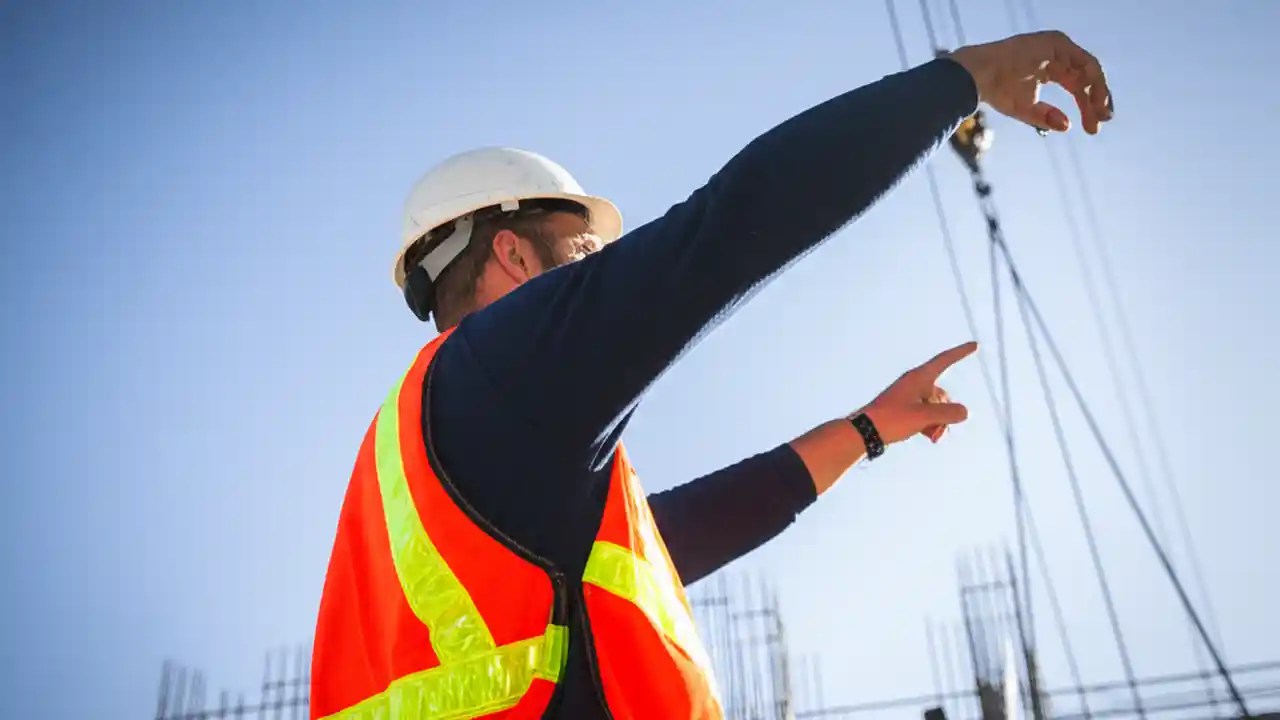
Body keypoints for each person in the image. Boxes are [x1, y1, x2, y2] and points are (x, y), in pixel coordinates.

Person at [310, 29, 1113, 720]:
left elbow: (672, 540)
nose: (603, 269)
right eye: (585, 252)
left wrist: (865, 429)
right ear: (514, 254)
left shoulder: (428, 455)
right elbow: (731, 226)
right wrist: (963, 79)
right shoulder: (504, 371)